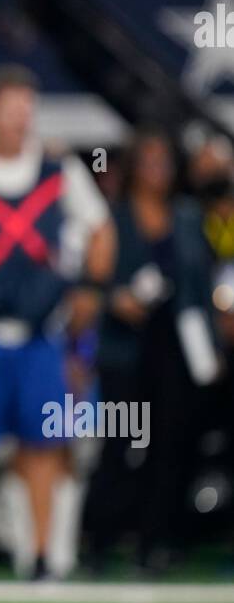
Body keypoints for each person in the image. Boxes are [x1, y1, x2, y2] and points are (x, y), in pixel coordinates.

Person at [0, 64, 113, 580]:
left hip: (40, 337)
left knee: (43, 446)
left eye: (28, 107)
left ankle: (39, 559)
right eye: (12, 107)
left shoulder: (61, 172)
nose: (21, 117)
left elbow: (100, 231)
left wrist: (88, 294)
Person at [83, 127, 219, 574]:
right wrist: (115, 299)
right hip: (126, 348)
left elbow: (200, 286)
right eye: (148, 161)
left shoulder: (185, 215)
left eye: (164, 162)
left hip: (175, 350)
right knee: (120, 443)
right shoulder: (114, 217)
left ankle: (156, 542)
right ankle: (100, 540)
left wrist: (210, 349)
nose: (156, 171)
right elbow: (94, 281)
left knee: (170, 446)